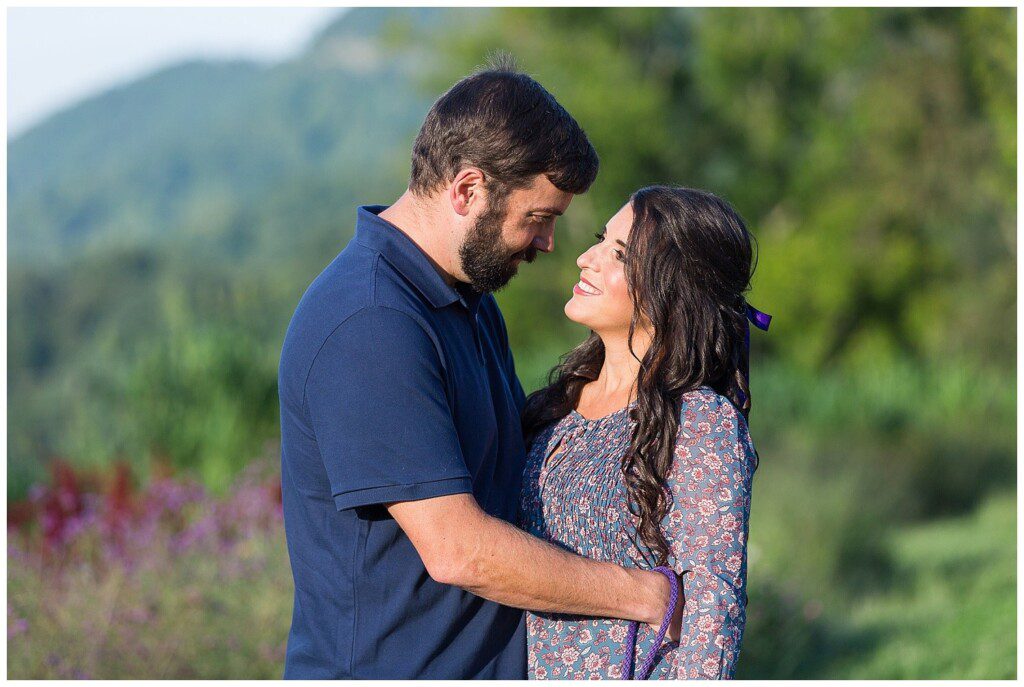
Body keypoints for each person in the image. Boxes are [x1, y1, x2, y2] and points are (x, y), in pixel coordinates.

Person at [277, 57, 682, 679]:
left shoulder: (463, 298)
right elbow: (458, 549)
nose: (549, 244)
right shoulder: (370, 323)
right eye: (538, 218)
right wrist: (645, 594)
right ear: (468, 190)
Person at [518, 185, 768, 679]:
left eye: (618, 254)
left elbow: (711, 609)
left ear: (669, 287)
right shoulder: (551, 410)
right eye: (598, 240)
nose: (585, 259)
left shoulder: (701, 421)